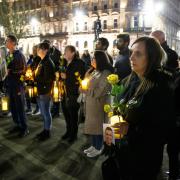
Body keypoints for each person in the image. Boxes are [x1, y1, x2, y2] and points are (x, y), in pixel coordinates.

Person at [102, 37, 175, 180]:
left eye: (138, 54)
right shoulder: (128, 80)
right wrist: (111, 129)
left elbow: (165, 130)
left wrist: (131, 129)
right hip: (122, 152)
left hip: (143, 159)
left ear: (152, 58)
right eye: (132, 52)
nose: (131, 57)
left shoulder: (161, 87)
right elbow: (118, 107)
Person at [151, 30, 179, 180]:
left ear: (160, 39)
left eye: (153, 39)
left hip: (170, 109)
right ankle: (158, 170)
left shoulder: (170, 54)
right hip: (161, 108)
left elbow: (172, 80)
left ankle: (174, 174)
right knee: (158, 144)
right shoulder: (155, 53)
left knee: (172, 147)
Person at [82, 50, 113, 158]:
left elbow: (101, 90)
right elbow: (87, 83)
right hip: (91, 103)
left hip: (98, 104)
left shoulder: (106, 73)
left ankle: (99, 147)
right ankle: (94, 145)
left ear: (99, 60)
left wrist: (86, 91)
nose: (92, 60)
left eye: (93, 58)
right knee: (92, 127)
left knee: (97, 127)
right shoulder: (95, 71)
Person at [61, 45, 86, 143]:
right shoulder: (65, 62)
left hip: (74, 94)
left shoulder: (79, 63)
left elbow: (80, 79)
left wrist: (66, 77)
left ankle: (73, 135)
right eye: (65, 51)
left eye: (66, 52)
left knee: (73, 116)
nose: (65, 53)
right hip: (65, 92)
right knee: (66, 115)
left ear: (73, 53)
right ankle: (68, 131)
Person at [5, 35, 29, 137]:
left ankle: (24, 128)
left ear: (12, 43)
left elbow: (25, 72)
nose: (5, 43)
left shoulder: (20, 55)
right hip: (10, 85)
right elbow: (6, 67)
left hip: (18, 86)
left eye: (7, 41)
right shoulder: (9, 55)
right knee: (13, 107)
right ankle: (17, 124)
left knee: (20, 107)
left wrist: (11, 72)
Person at [34, 42, 55, 141]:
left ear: (45, 50)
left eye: (39, 49)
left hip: (45, 91)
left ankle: (47, 131)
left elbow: (48, 79)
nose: (38, 50)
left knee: (46, 112)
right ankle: (45, 129)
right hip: (41, 90)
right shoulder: (42, 61)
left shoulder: (48, 62)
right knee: (43, 112)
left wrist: (36, 78)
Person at [42, 39, 62, 118]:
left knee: (56, 94)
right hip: (49, 77)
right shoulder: (46, 52)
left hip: (56, 76)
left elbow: (61, 64)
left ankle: (56, 111)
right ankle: (53, 108)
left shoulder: (57, 52)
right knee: (51, 94)